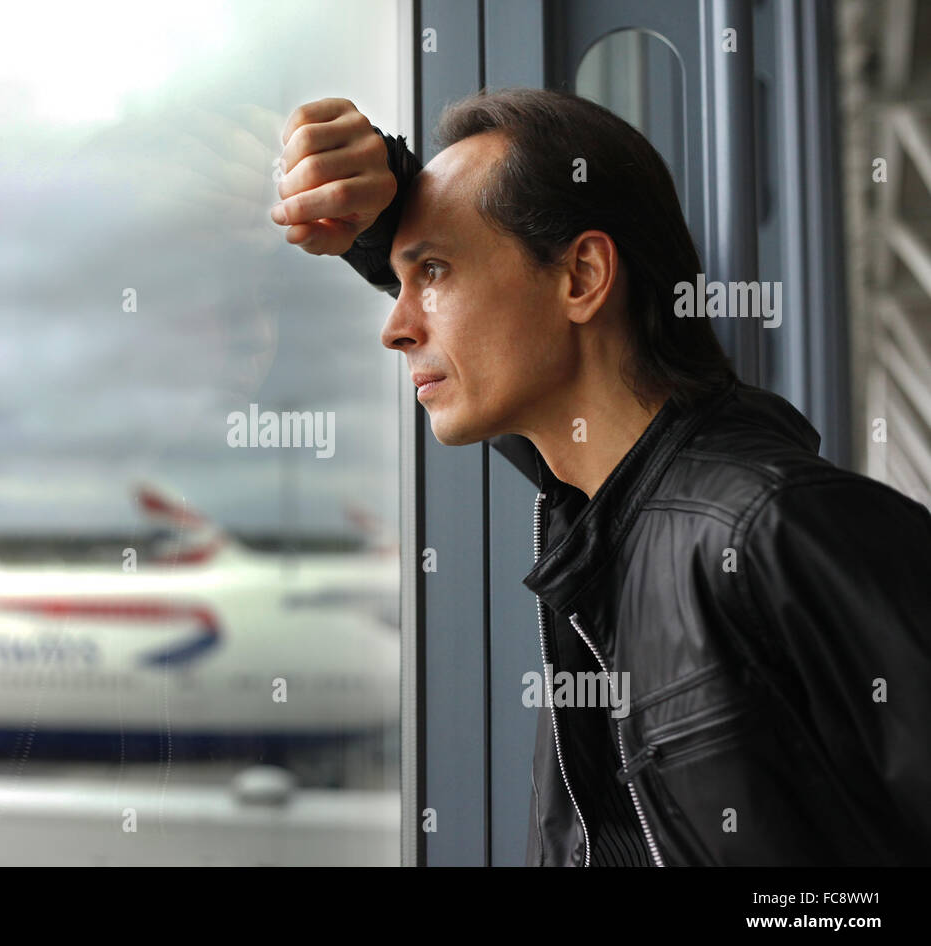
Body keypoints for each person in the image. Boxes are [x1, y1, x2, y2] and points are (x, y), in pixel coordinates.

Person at [269, 87, 931, 866]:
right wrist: (384, 216)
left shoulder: (776, 531)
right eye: (402, 279)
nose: (397, 325)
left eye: (435, 272)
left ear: (582, 276)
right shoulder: (607, 523)